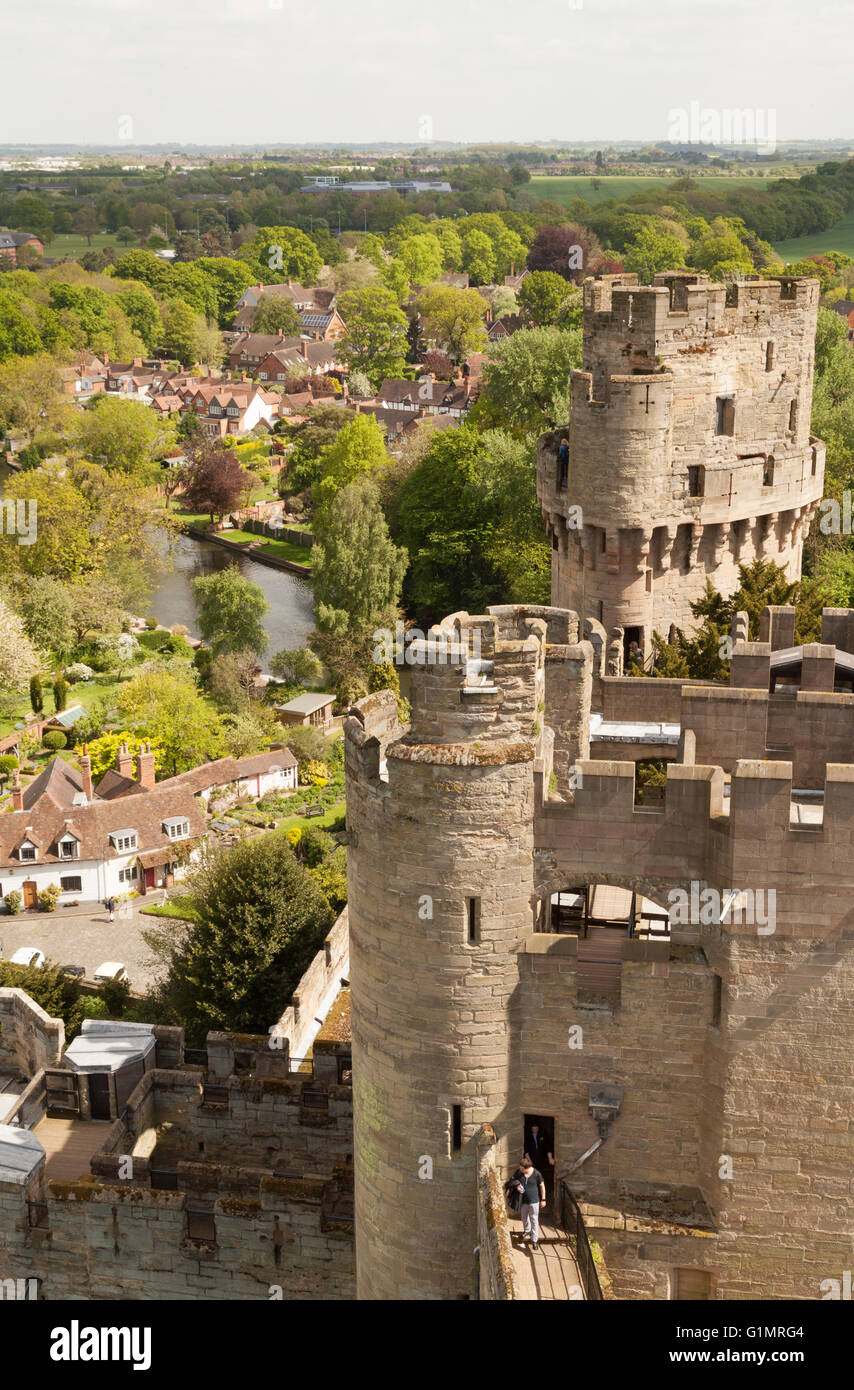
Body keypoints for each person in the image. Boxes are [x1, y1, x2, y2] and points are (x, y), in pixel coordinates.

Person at [509, 1156, 546, 1251]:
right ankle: (527, 1231)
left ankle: (534, 1240)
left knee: (534, 1220)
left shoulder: (537, 1174)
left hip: (534, 1201)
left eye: (522, 1169)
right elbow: (512, 1180)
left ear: (527, 1168)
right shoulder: (519, 1172)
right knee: (524, 1218)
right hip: (523, 1201)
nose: (520, 1170)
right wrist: (517, 1185)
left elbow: (542, 1186)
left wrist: (543, 1199)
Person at [524, 1120, 555, 1187]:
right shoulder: (528, 1137)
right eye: (533, 1129)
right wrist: (529, 1160)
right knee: (532, 1174)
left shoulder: (542, 1135)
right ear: (531, 1129)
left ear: (538, 1128)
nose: (535, 1130)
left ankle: (541, 1187)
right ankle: (534, 1188)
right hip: (532, 1159)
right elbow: (526, 1150)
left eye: (536, 1128)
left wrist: (550, 1158)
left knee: (541, 1174)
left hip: (542, 1158)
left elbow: (547, 1147)